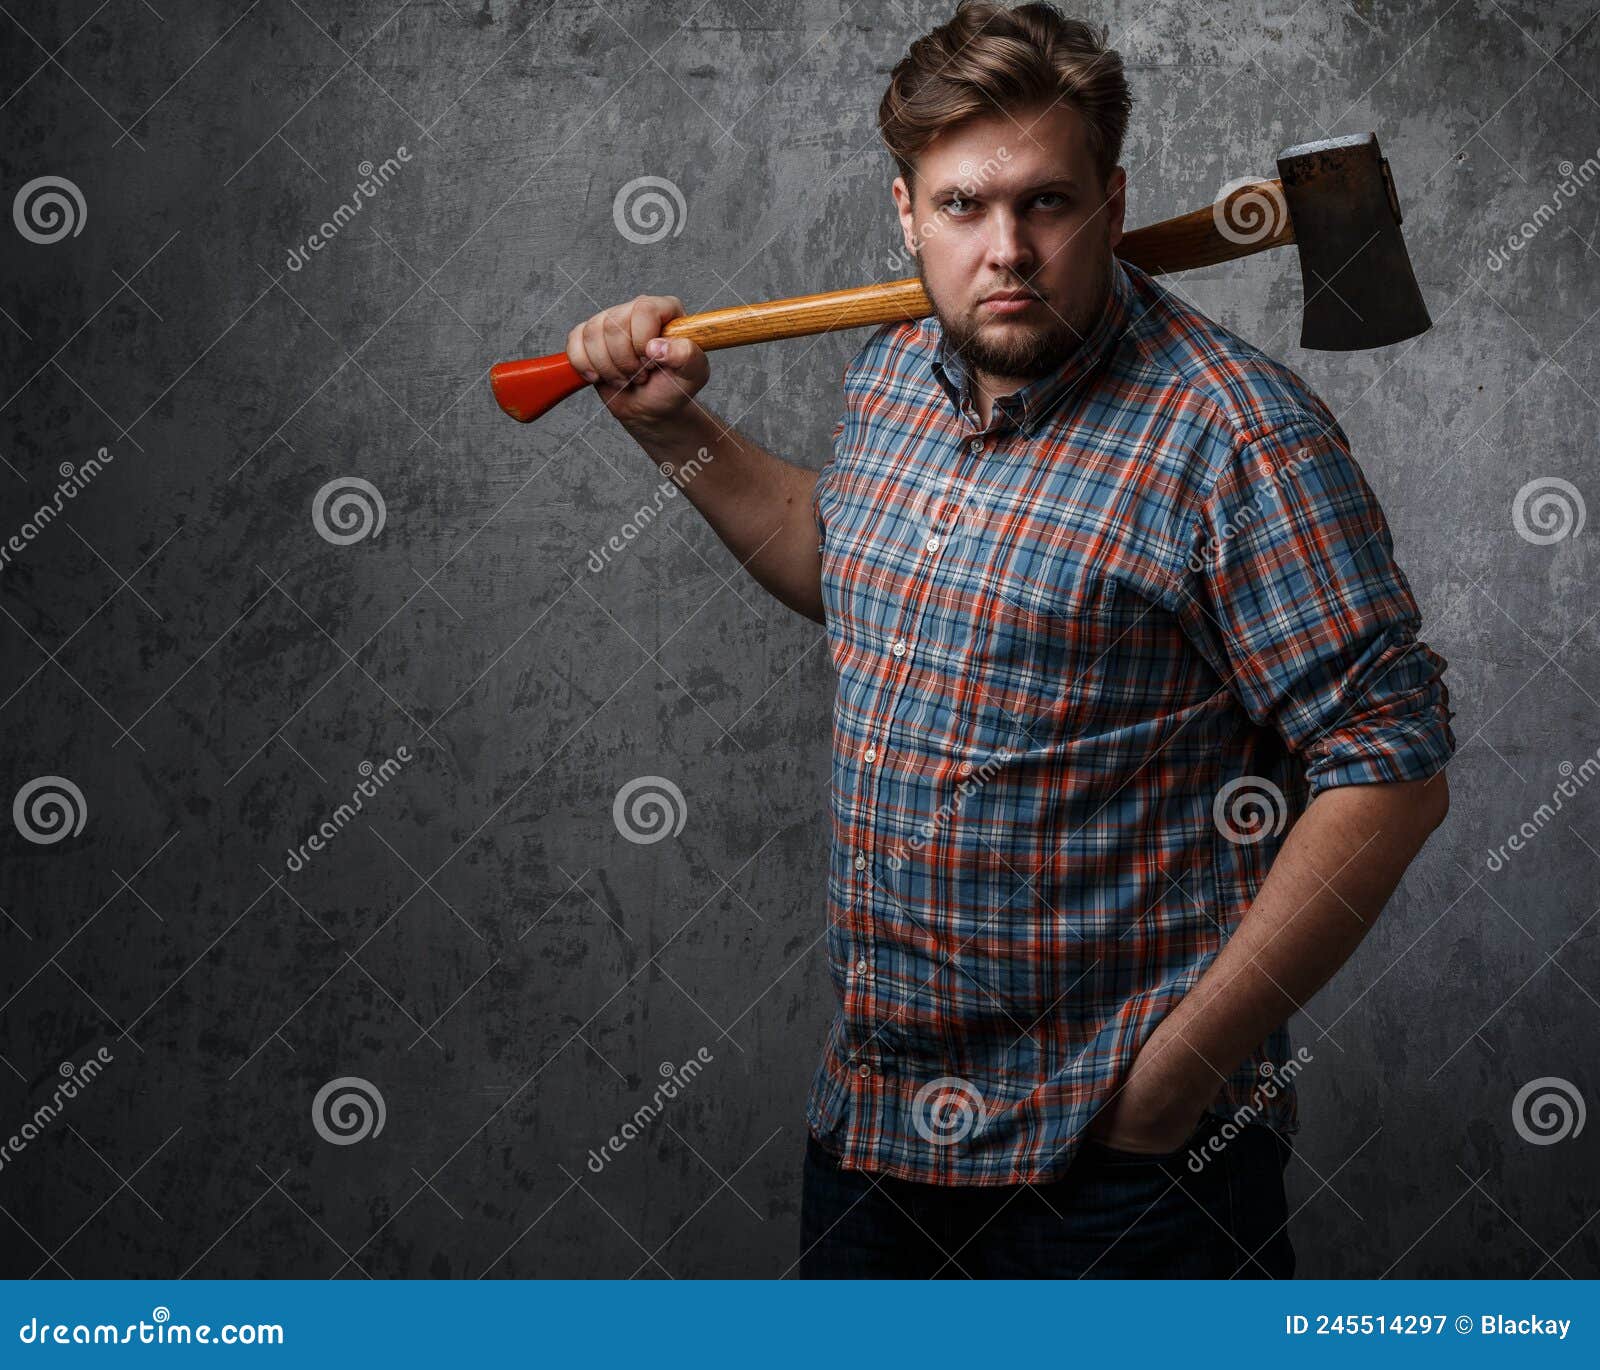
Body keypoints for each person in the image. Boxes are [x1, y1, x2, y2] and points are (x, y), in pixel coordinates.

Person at [563, 1, 1455, 1279]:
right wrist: (670, 432)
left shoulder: (1235, 437)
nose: (1009, 251)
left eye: (1047, 203)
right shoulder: (893, 369)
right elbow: (844, 565)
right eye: (965, 206)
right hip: (876, 1137)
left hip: (1120, 1173)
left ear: (1112, 197)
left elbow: (1391, 764)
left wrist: (1167, 1087)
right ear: (905, 211)